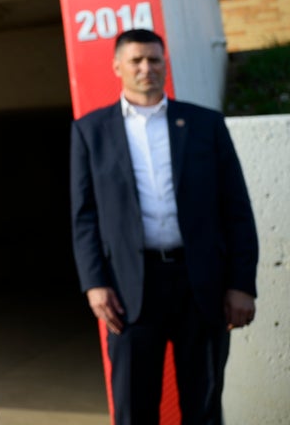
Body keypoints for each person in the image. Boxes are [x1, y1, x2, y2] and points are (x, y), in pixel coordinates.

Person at [70, 29, 259, 424]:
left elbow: (236, 209)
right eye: (136, 60)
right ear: (117, 66)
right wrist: (94, 284)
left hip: (201, 285)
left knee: (203, 406)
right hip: (129, 291)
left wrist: (242, 284)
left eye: (154, 59)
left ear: (164, 64)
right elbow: (84, 216)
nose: (146, 68)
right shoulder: (90, 131)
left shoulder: (205, 125)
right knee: (134, 408)